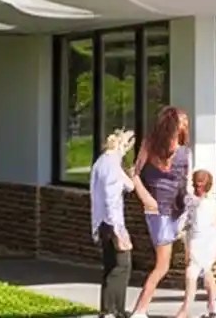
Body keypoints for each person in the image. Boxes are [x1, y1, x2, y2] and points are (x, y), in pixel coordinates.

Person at [129, 106, 192, 318]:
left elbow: (186, 182)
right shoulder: (150, 145)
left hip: (179, 210)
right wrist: (145, 197)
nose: (185, 124)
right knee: (162, 266)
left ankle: (193, 308)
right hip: (159, 211)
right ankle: (140, 310)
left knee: (196, 261)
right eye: (182, 121)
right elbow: (134, 173)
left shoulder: (184, 150)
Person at [90, 128, 137, 318]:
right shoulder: (112, 165)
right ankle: (113, 310)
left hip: (101, 222)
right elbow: (111, 198)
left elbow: (129, 186)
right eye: (126, 147)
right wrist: (118, 231)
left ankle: (110, 309)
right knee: (122, 265)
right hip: (112, 222)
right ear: (120, 146)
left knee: (111, 265)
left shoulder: (101, 162)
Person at [175, 169, 216, 318]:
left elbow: (198, 228)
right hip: (202, 241)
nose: (197, 188)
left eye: (200, 185)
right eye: (195, 184)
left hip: (204, 243)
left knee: (191, 273)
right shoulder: (193, 201)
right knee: (206, 272)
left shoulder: (207, 204)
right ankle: (213, 305)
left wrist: (189, 248)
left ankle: (184, 311)